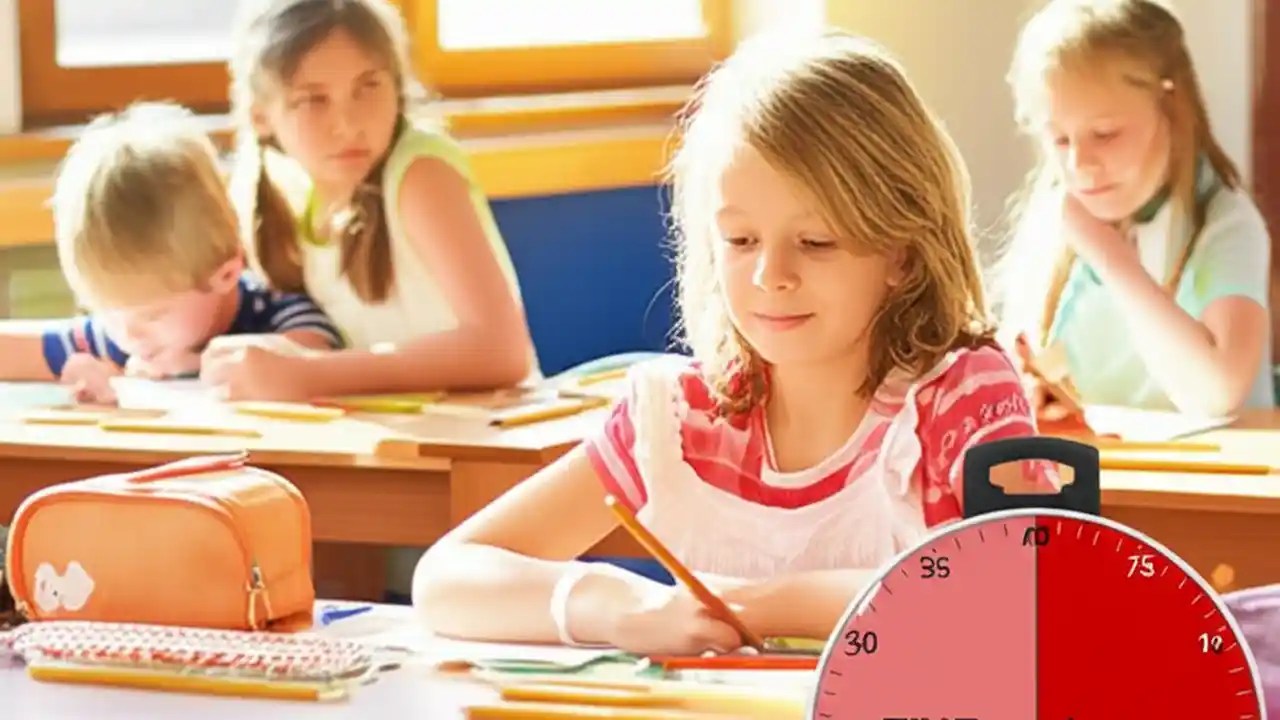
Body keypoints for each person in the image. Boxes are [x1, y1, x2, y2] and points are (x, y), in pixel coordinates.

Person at [411, 30, 1052, 656]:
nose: (771, 275)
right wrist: (620, 608)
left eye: (816, 242)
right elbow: (448, 578)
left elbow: (1026, 593)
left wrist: (762, 605)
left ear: (903, 255)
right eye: (740, 241)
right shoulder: (680, 416)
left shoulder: (961, 397)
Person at [213, 0, 538, 402]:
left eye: (368, 86)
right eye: (314, 100)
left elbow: (503, 352)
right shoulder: (291, 200)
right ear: (262, 117)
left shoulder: (420, 173)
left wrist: (313, 374)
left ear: (398, 89)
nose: (348, 124)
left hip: (491, 445)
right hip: (397, 445)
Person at [999, 0, 1273, 417]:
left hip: (1219, 476)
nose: (1079, 165)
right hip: (1102, 473)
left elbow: (1217, 393)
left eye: (1105, 134)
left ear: (1173, 109)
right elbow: (1021, 359)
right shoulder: (1057, 219)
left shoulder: (1226, 226)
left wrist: (1110, 256)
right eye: (1059, 140)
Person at [0, 102, 343, 404]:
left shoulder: (274, 310)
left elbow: (311, 355)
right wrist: (77, 382)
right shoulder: (124, 332)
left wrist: (196, 367)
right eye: (105, 310)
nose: (129, 335)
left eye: (153, 315)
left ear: (225, 274)